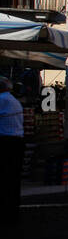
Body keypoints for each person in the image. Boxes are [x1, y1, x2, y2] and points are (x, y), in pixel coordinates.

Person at [0, 77, 25, 222]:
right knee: (13, 178)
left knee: (5, 178)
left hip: (6, 143)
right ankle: (12, 209)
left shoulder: (3, 100)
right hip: (16, 142)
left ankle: (6, 210)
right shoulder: (14, 100)